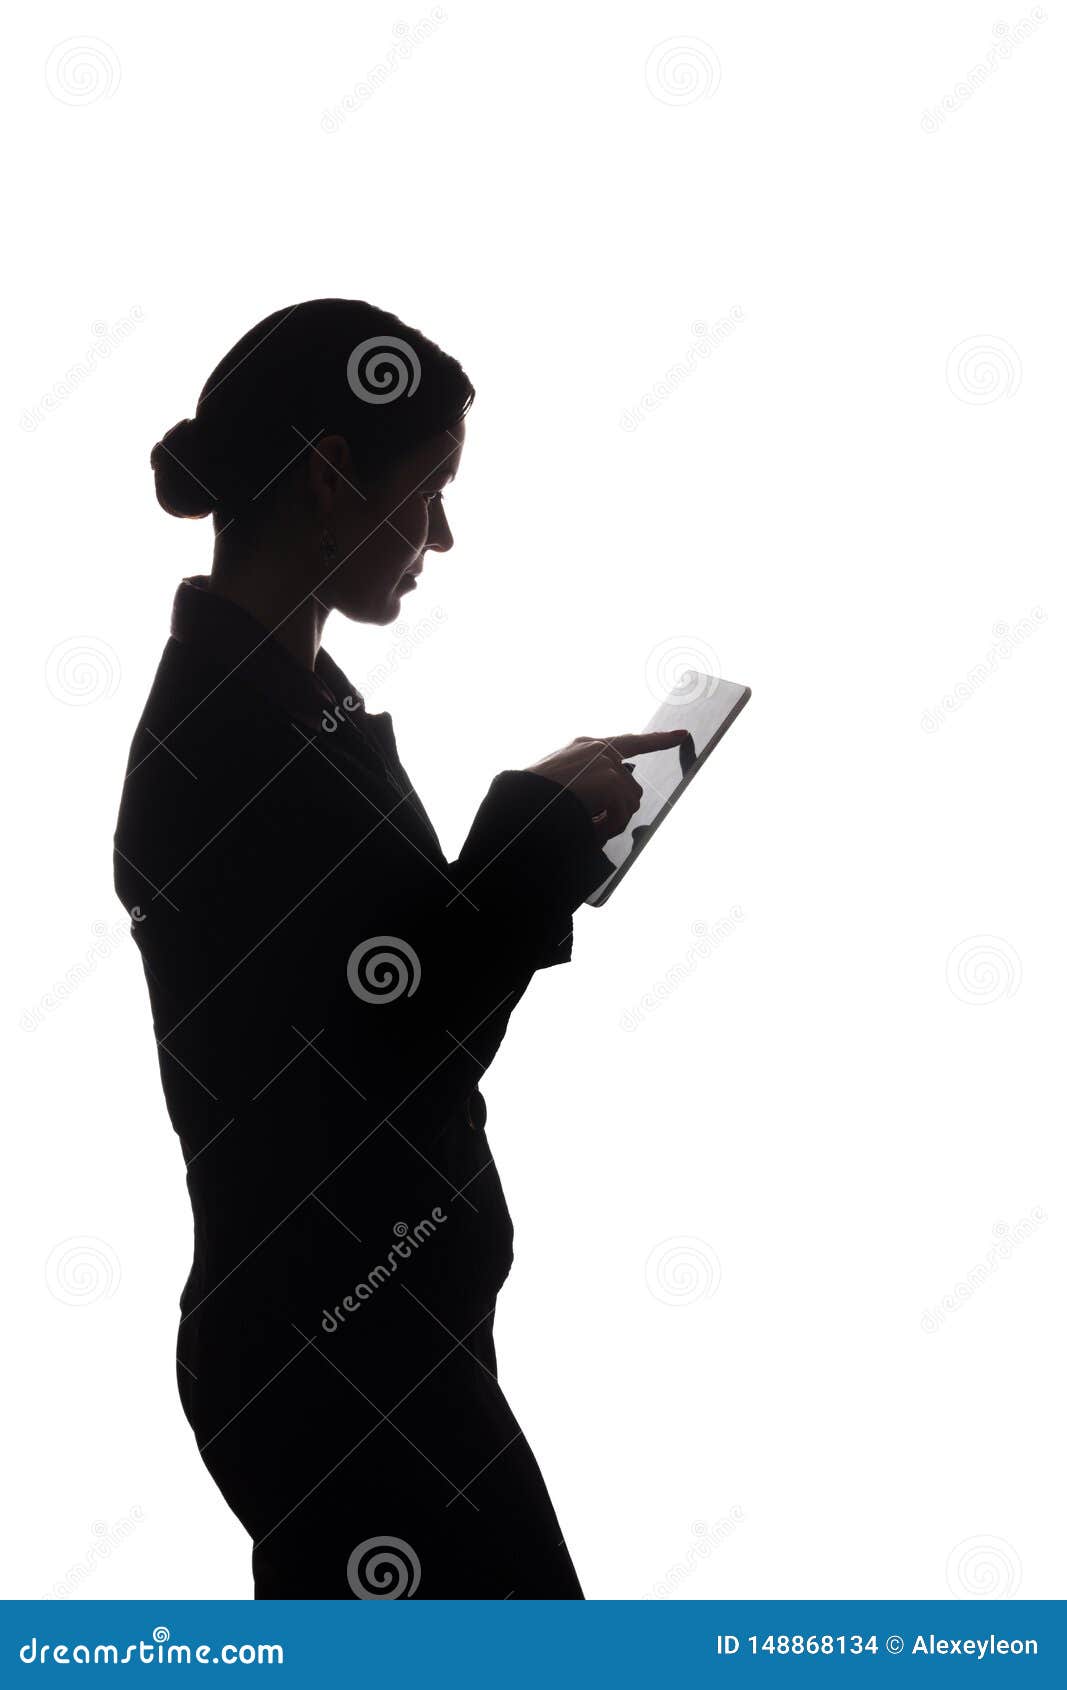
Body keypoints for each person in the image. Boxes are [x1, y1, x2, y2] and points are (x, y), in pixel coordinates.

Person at [112, 298, 689, 1599]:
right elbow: (392, 1048)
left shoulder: (287, 701)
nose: (440, 535)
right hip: (337, 1366)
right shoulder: (229, 745)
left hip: (377, 1347)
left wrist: (542, 816)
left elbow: (390, 978)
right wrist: (537, 832)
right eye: (429, 493)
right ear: (331, 476)